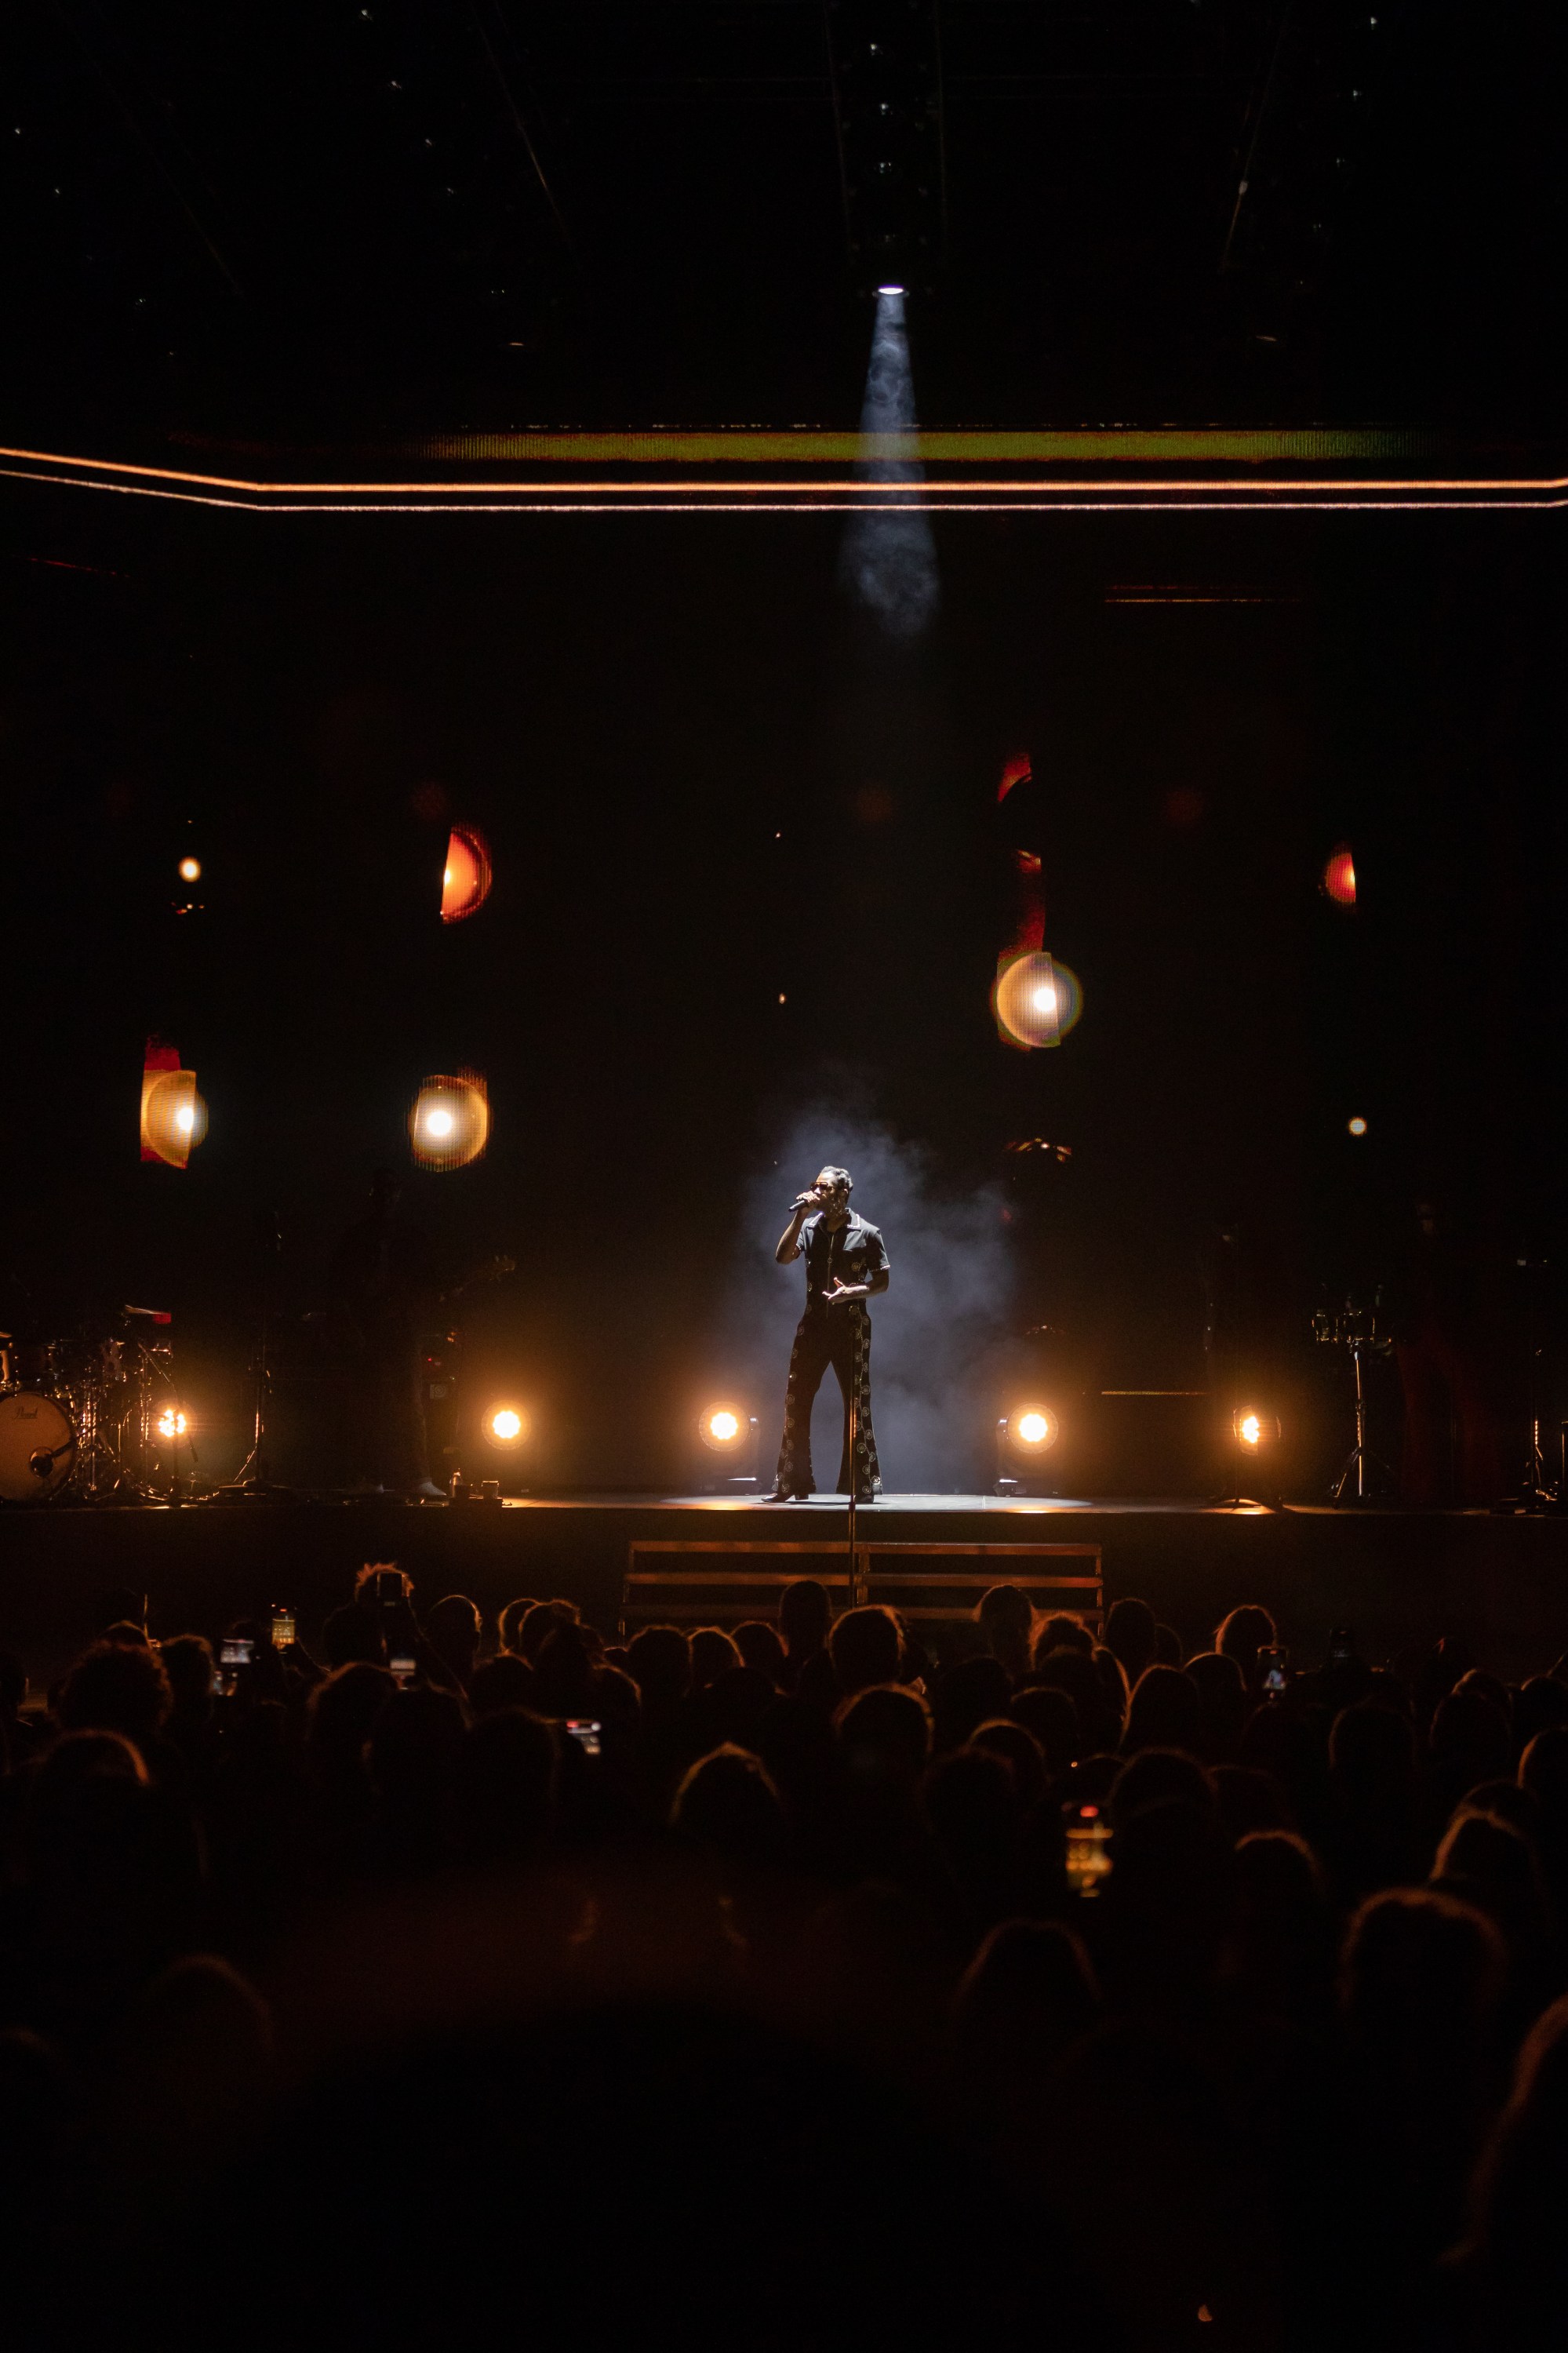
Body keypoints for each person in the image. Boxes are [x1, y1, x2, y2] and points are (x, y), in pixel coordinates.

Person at [767, 1166, 889, 1503]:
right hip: (813, 1325)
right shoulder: (809, 1227)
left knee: (856, 1403)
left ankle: (860, 1485)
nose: (818, 1192)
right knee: (796, 1400)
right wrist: (800, 1216)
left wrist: (852, 1293)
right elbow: (782, 1258)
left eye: (825, 1188)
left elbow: (882, 1282)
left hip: (851, 1326)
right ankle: (792, 1483)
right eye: (815, 1186)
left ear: (843, 1193)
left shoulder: (867, 1232)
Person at [326, 1169, 443, 1498]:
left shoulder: (410, 1237)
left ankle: (415, 1477)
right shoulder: (357, 1238)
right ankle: (376, 1476)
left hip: (400, 1329)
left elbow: (426, 1282)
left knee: (408, 1404)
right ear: (373, 1197)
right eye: (382, 1194)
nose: (387, 1200)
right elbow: (338, 1287)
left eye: (392, 1193)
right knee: (373, 1405)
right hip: (368, 1330)